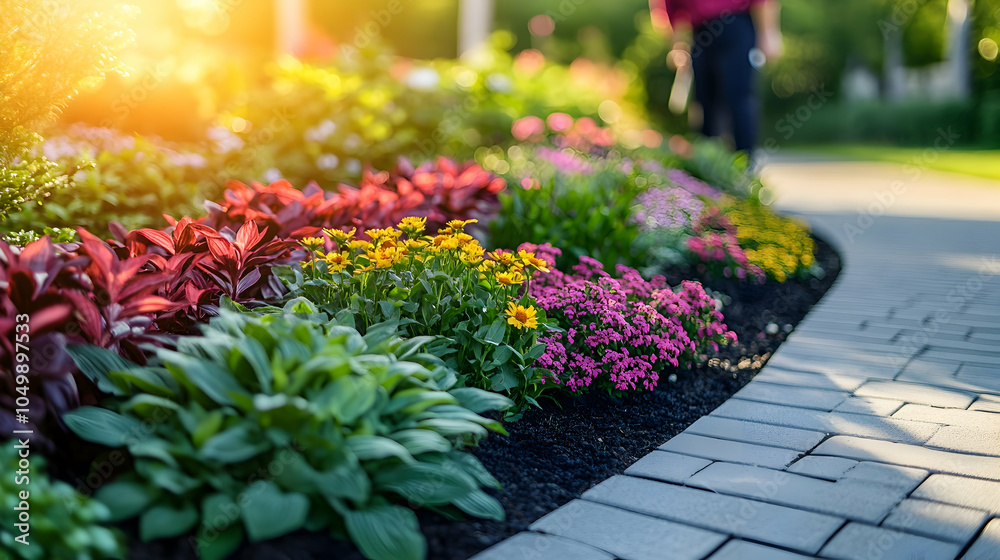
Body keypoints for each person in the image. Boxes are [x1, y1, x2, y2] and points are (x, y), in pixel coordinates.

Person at [650, 0, 783, 156]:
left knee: (738, 96)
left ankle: (745, 160)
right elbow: (668, 9)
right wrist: (677, 45)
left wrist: (768, 33)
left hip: (736, 25)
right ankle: (709, 163)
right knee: (704, 102)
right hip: (700, 33)